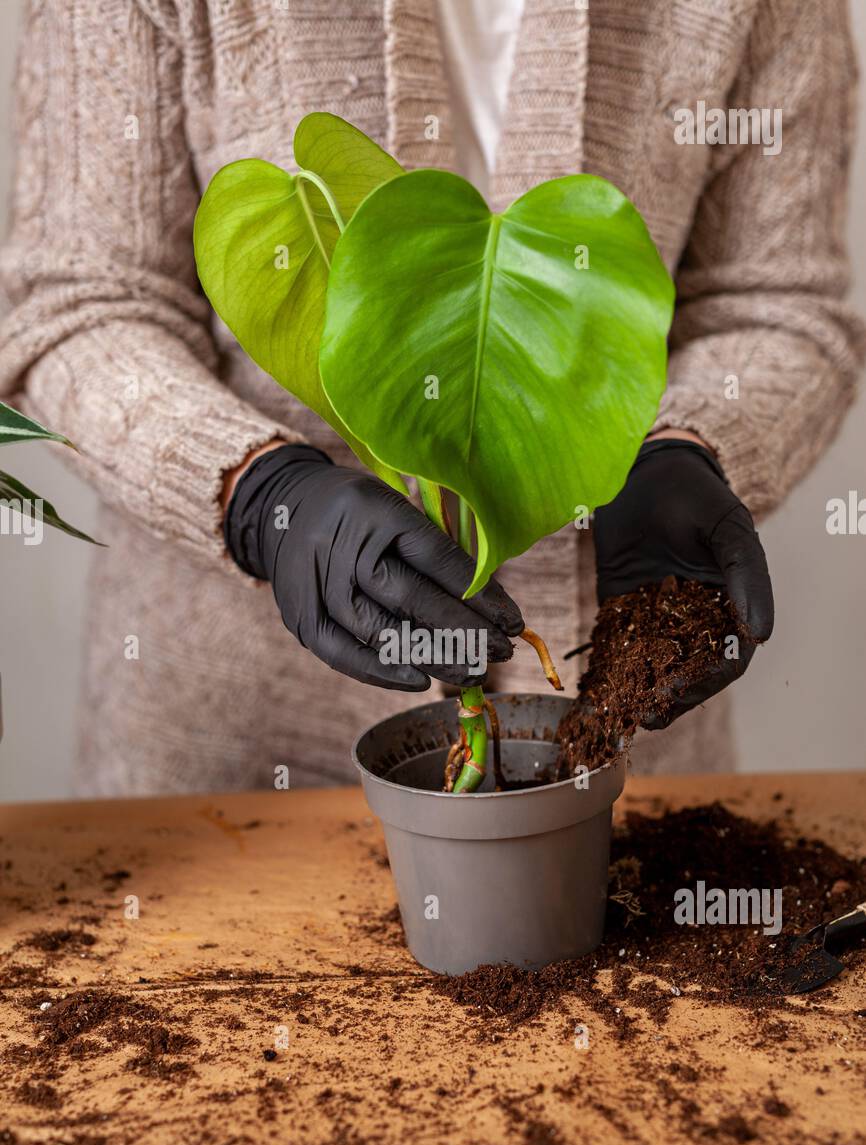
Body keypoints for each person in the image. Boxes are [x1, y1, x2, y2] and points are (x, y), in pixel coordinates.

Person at [0, 0, 862, 795]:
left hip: (618, 773)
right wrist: (257, 495)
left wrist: (689, 446)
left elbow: (776, 301)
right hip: (227, 790)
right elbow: (77, 302)